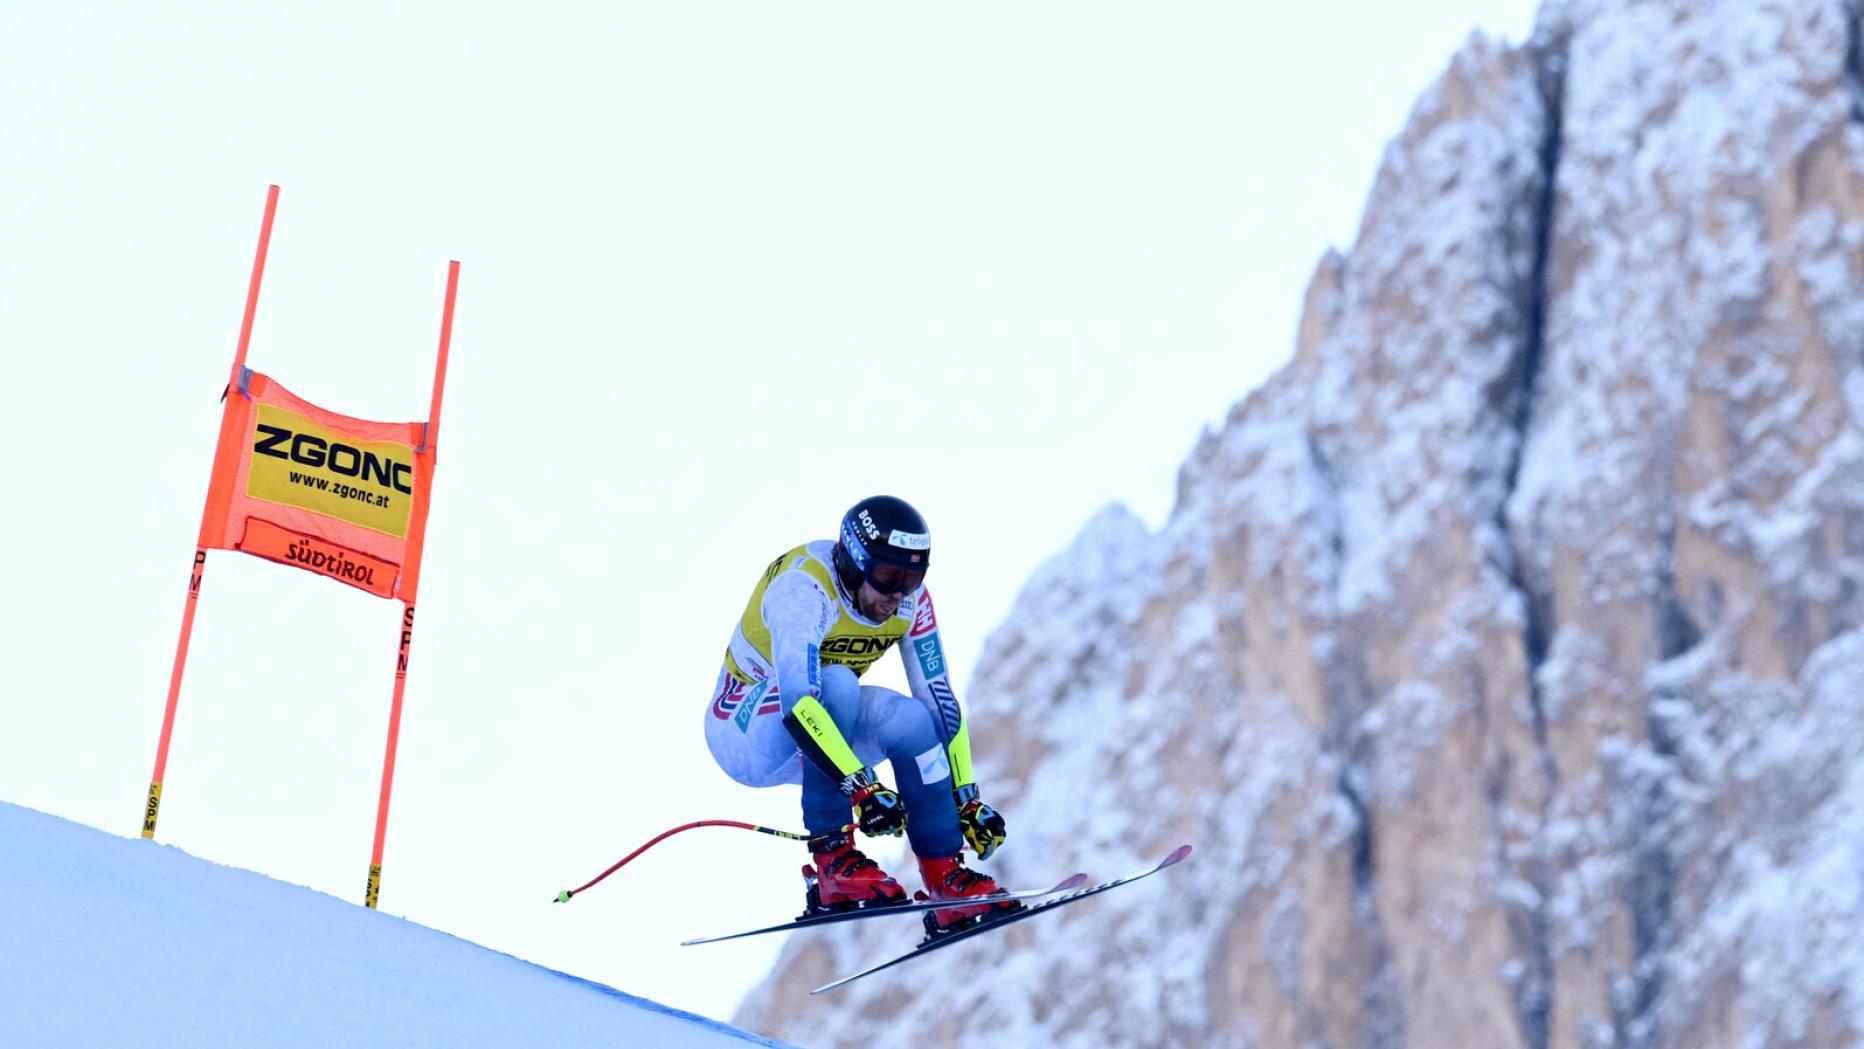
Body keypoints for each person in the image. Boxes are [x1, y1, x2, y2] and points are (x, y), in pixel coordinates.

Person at [703, 495, 1012, 935]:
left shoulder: (910, 603)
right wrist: (862, 787)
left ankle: (946, 881)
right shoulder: (805, 589)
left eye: (912, 577)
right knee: (838, 683)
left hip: (823, 737)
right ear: (852, 561)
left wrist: (966, 796)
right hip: (747, 730)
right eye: (888, 577)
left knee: (913, 722)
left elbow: (938, 696)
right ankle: (833, 862)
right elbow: (800, 702)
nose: (897, 595)